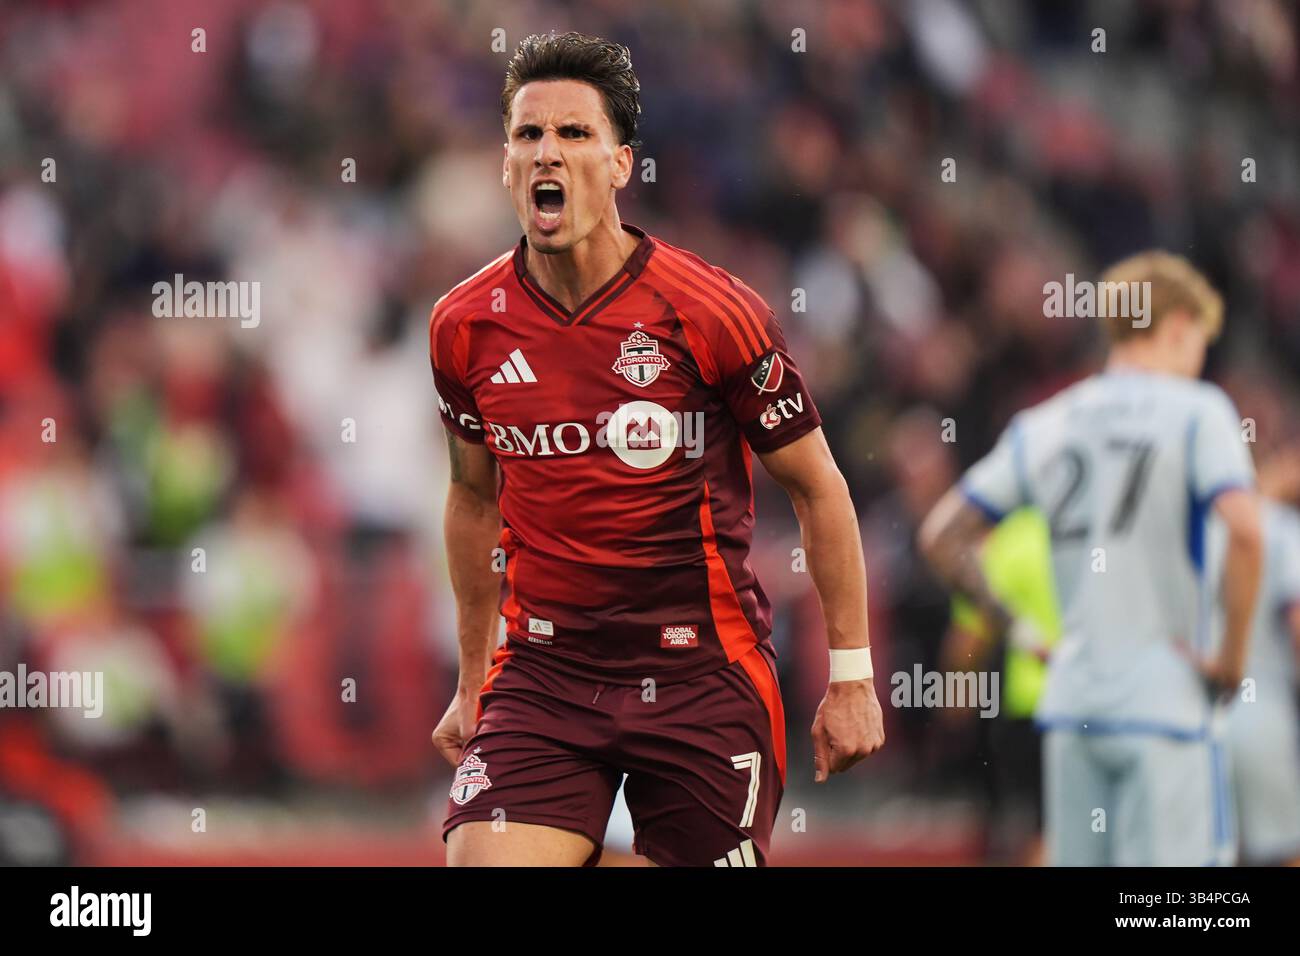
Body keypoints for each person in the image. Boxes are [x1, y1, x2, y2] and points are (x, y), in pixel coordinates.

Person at [428, 31, 884, 867]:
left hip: (699, 675)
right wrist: (470, 681)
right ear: (505, 164)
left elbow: (818, 488)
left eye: (573, 134)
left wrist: (851, 675)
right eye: (528, 136)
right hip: (543, 676)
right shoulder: (465, 325)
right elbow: (472, 499)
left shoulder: (710, 311)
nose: (546, 154)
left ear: (619, 164)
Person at [919, 251, 1262, 866]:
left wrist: (1018, 627)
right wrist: (1231, 662)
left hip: (1072, 706)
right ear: (1180, 325)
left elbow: (942, 535)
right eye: (1198, 344)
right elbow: (1246, 531)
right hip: (1167, 704)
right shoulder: (1199, 412)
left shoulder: (1047, 423)